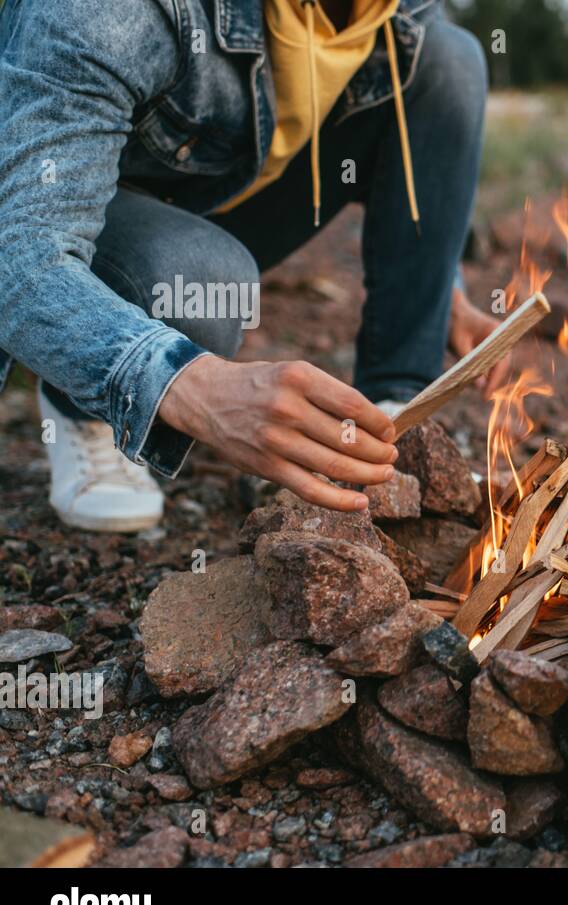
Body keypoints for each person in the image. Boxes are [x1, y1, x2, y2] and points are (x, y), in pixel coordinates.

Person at [0, 0, 505, 532]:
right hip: (46, 196)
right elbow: (21, 252)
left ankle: (395, 433)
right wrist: (184, 382)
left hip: (201, 188)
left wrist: (432, 282)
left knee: (448, 58)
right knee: (206, 288)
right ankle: (85, 409)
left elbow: (408, 140)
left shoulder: (393, 11)